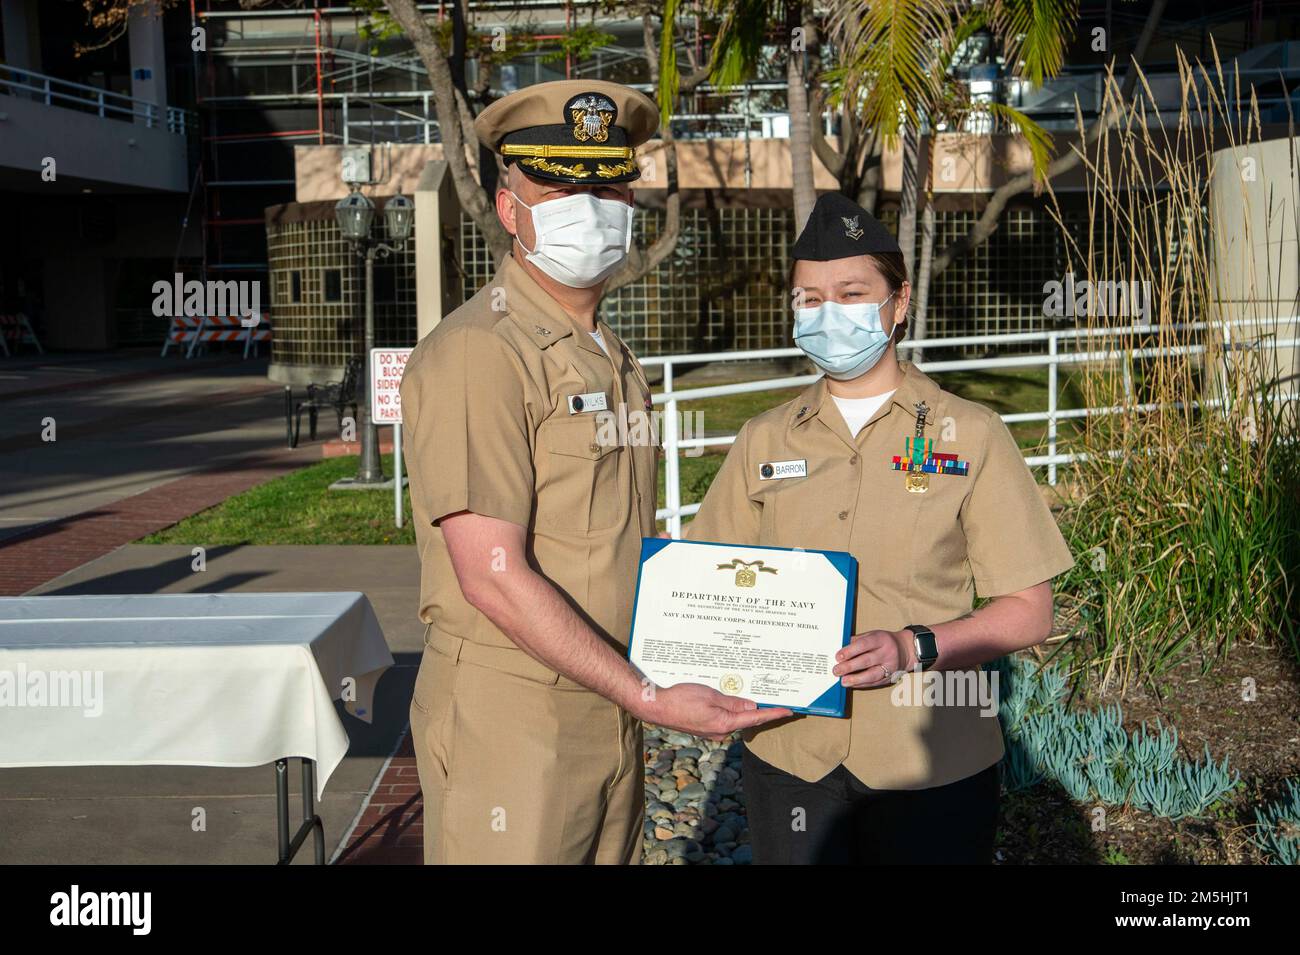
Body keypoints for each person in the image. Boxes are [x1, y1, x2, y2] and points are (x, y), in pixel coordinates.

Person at [399, 79, 790, 865]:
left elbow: (614, 532)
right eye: (560, 186)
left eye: (606, 183)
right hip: (516, 713)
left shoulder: (609, 355)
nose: (590, 203)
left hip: (607, 693)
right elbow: (492, 575)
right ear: (511, 210)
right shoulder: (485, 351)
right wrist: (647, 694)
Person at [686, 192, 1076, 864]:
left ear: (898, 304)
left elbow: (1029, 611)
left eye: (851, 291)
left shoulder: (971, 435)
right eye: (809, 298)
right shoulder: (762, 438)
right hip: (790, 751)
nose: (827, 312)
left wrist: (910, 646)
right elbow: (700, 578)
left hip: (929, 760)